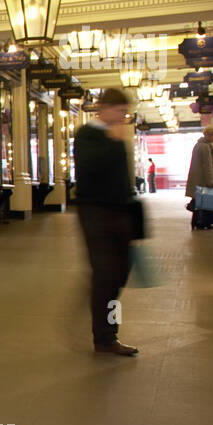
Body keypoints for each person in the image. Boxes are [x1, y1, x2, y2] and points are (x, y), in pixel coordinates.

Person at [74, 88, 139, 357]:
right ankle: (105, 336)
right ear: (106, 109)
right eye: (121, 112)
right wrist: (113, 141)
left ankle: (108, 330)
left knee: (120, 273)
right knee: (107, 275)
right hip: (96, 214)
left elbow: (121, 179)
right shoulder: (88, 135)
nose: (124, 117)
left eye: (126, 113)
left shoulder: (115, 136)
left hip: (120, 214)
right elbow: (91, 169)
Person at [186, 125, 213, 229]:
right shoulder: (205, 147)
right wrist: (211, 180)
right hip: (204, 181)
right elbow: (208, 165)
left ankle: (197, 222)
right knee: (205, 203)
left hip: (199, 180)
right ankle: (203, 223)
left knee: (199, 202)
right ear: (209, 135)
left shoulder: (199, 145)